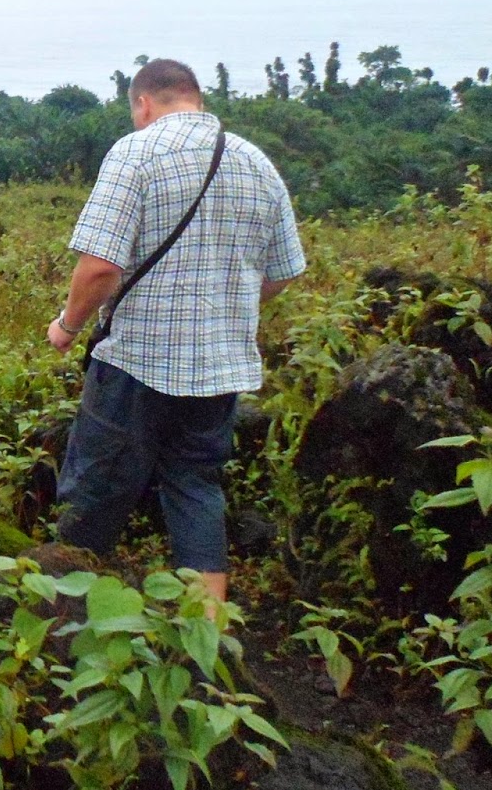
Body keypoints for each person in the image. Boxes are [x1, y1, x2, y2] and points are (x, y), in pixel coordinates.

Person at [46, 59, 306, 601]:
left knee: (95, 494)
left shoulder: (135, 153)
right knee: (195, 488)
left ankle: (63, 625)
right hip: (219, 369)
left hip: (137, 362)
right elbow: (284, 271)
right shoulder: (256, 162)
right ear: (195, 98)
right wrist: (227, 306)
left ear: (144, 103)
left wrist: (68, 326)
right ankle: (204, 639)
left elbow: (100, 267)